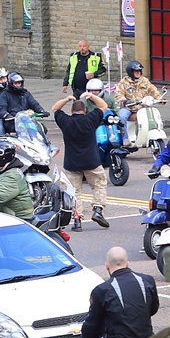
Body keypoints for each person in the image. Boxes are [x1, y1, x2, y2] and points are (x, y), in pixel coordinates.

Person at [60, 247, 158, 338]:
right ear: (127, 264)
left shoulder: (102, 290)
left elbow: (92, 325)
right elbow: (153, 309)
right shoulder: (148, 280)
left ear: (107, 266)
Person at [53, 83, 111, 230]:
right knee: (99, 184)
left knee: (74, 191)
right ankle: (98, 210)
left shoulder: (65, 121)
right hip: (91, 160)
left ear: (72, 111)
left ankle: (77, 219)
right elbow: (103, 106)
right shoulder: (91, 119)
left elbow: (55, 108)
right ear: (85, 110)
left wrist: (66, 99)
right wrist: (91, 95)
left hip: (72, 163)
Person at [113, 62, 163, 148]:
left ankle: (148, 134)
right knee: (122, 116)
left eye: (139, 71)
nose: (138, 73)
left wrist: (159, 98)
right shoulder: (124, 82)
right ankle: (125, 139)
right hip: (129, 107)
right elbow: (118, 94)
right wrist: (124, 101)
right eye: (136, 71)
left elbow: (152, 89)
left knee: (152, 115)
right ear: (130, 72)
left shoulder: (144, 80)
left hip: (142, 107)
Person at [0, 72, 40, 138]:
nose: (18, 85)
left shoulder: (26, 93)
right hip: (10, 120)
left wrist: (41, 110)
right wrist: (5, 115)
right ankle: (2, 143)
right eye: (16, 83)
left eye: (19, 83)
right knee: (0, 128)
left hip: (24, 120)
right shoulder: (4, 94)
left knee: (41, 129)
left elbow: (34, 103)